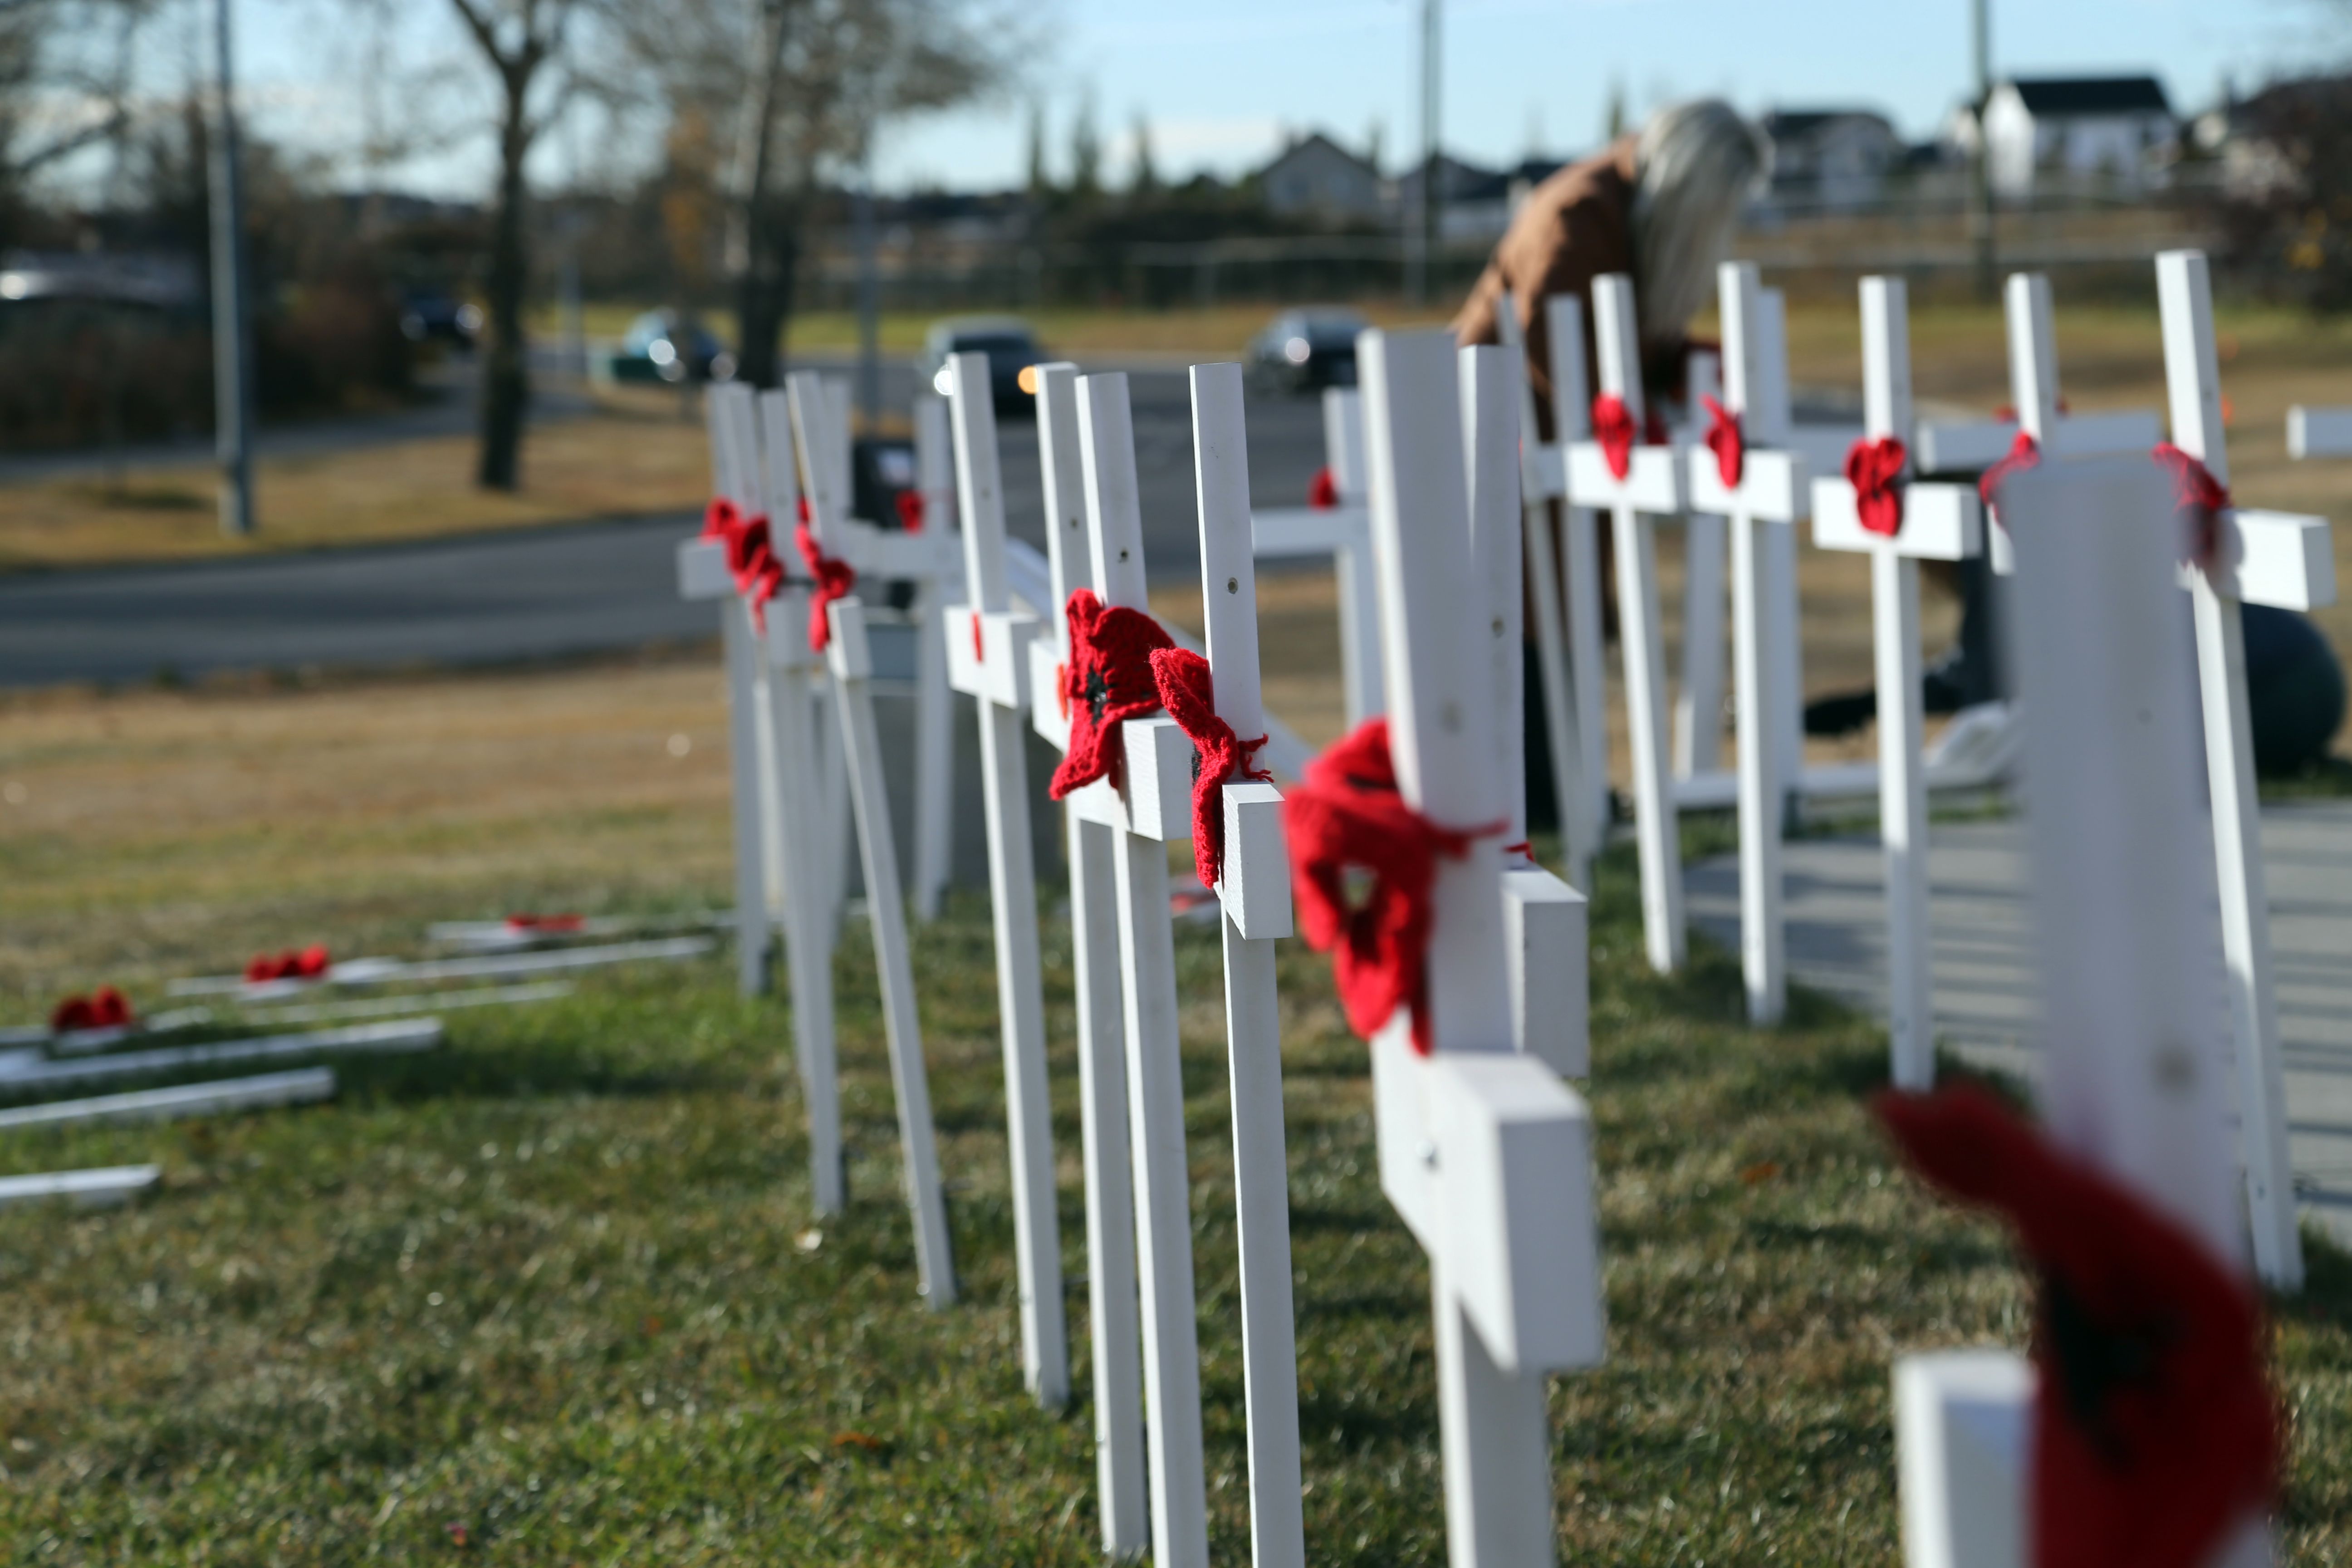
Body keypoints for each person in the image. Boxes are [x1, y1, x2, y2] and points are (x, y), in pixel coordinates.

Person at [1455, 99, 1772, 829]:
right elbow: (1548, 337)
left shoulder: (1615, 211)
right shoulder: (1579, 213)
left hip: (1550, 455)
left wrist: (1673, 370)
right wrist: (1627, 403)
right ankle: (1540, 799)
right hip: (1503, 447)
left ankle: (1559, 792)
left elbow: (1613, 342)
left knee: (1558, 623)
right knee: (1524, 624)